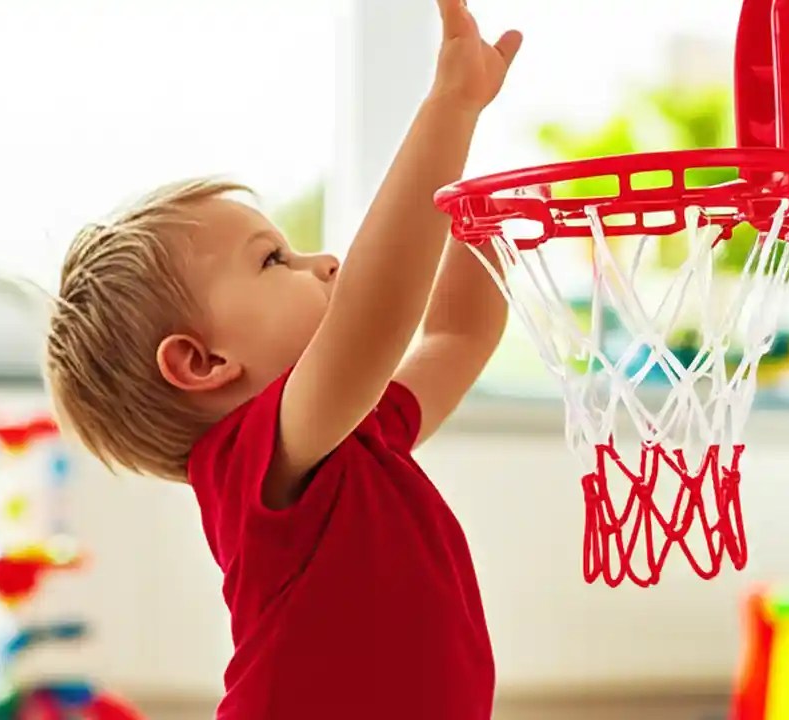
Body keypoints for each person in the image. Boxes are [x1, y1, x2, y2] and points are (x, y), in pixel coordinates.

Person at [43, 1, 522, 715]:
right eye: (275, 259)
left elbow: (456, 338)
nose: (322, 262)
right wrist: (450, 107)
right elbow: (376, 313)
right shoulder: (249, 460)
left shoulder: (358, 434)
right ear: (203, 363)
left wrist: (485, 212)